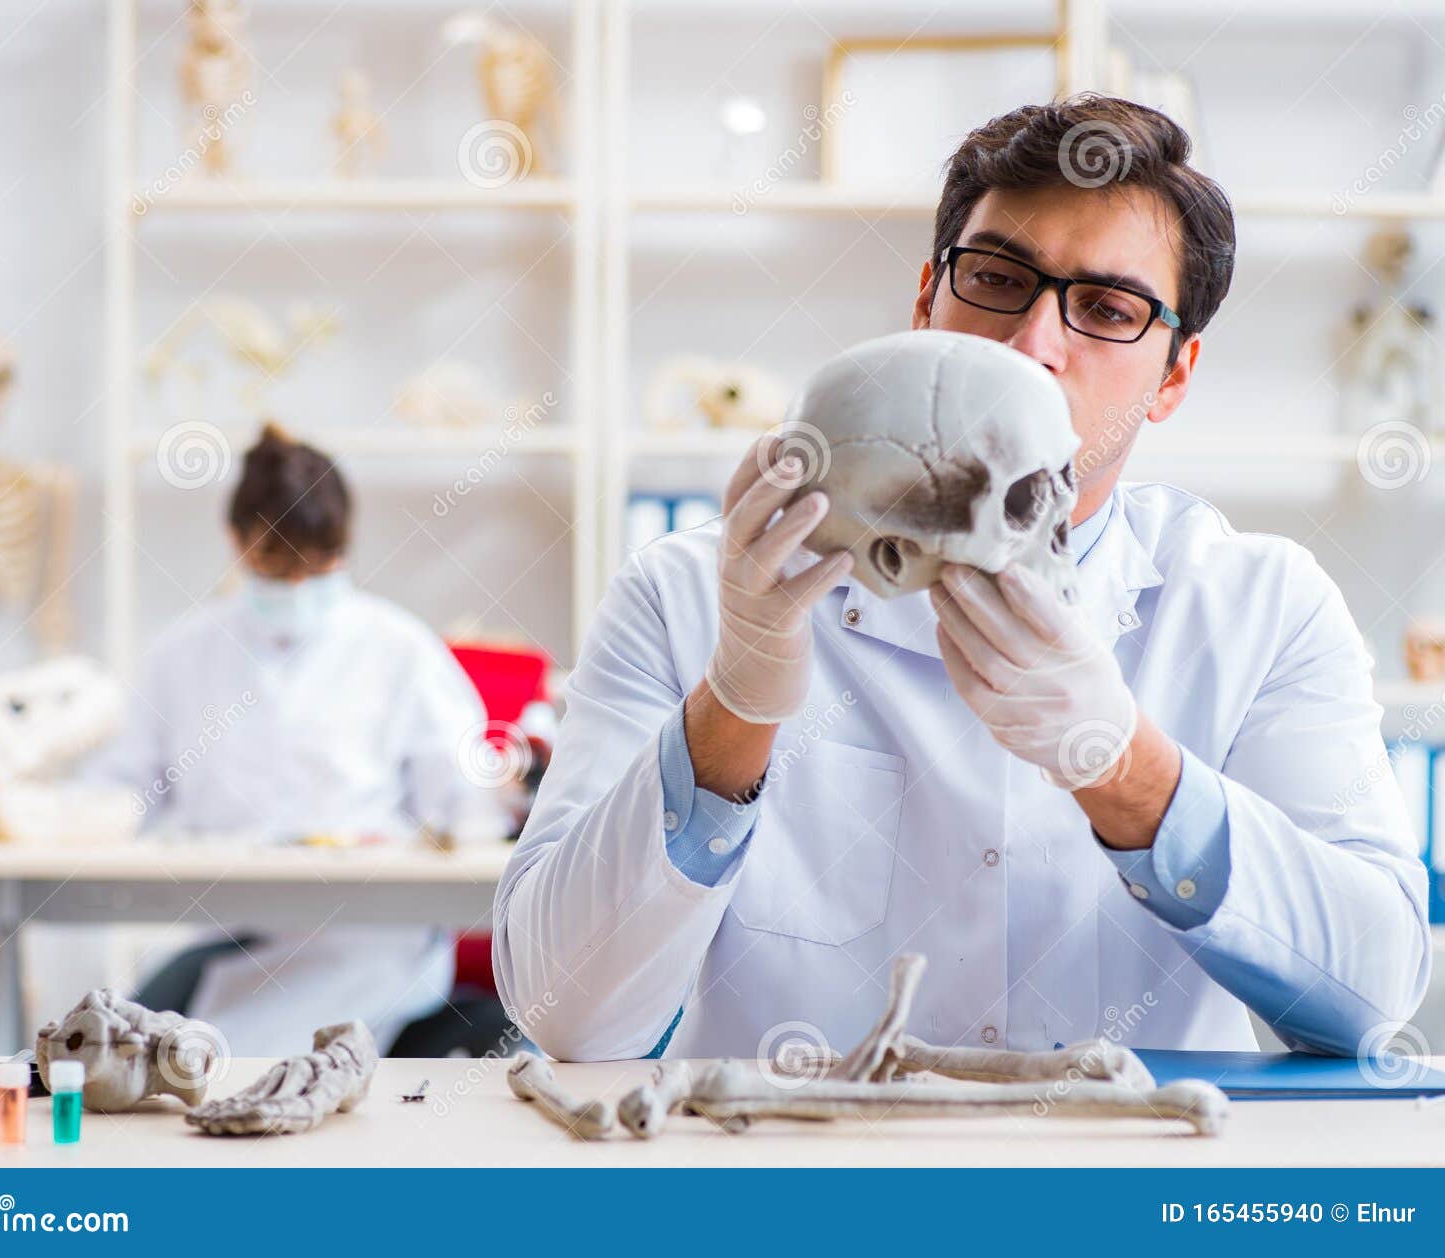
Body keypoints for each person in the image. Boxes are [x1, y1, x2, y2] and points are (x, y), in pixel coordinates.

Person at [493, 95, 1431, 1061]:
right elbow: (564, 1014)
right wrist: (733, 707)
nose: (1033, 342)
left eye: (1108, 309)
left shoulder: (1262, 608)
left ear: (1174, 376)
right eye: (995, 278)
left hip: (1123, 1194)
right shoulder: (689, 592)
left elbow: (1369, 998)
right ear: (926, 304)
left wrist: (1125, 769)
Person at [87, 424, 499, 1057]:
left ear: (346, 547)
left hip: (370, 938)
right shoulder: (181, 654)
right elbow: (123, 789)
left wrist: (489, 809)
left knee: (214, 1062)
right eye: (277, 566)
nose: (298, 586)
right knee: (127, 1045)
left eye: (318, 565)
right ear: (236, 543)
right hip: (235, 924)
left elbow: (468, 804)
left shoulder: (400, 649)